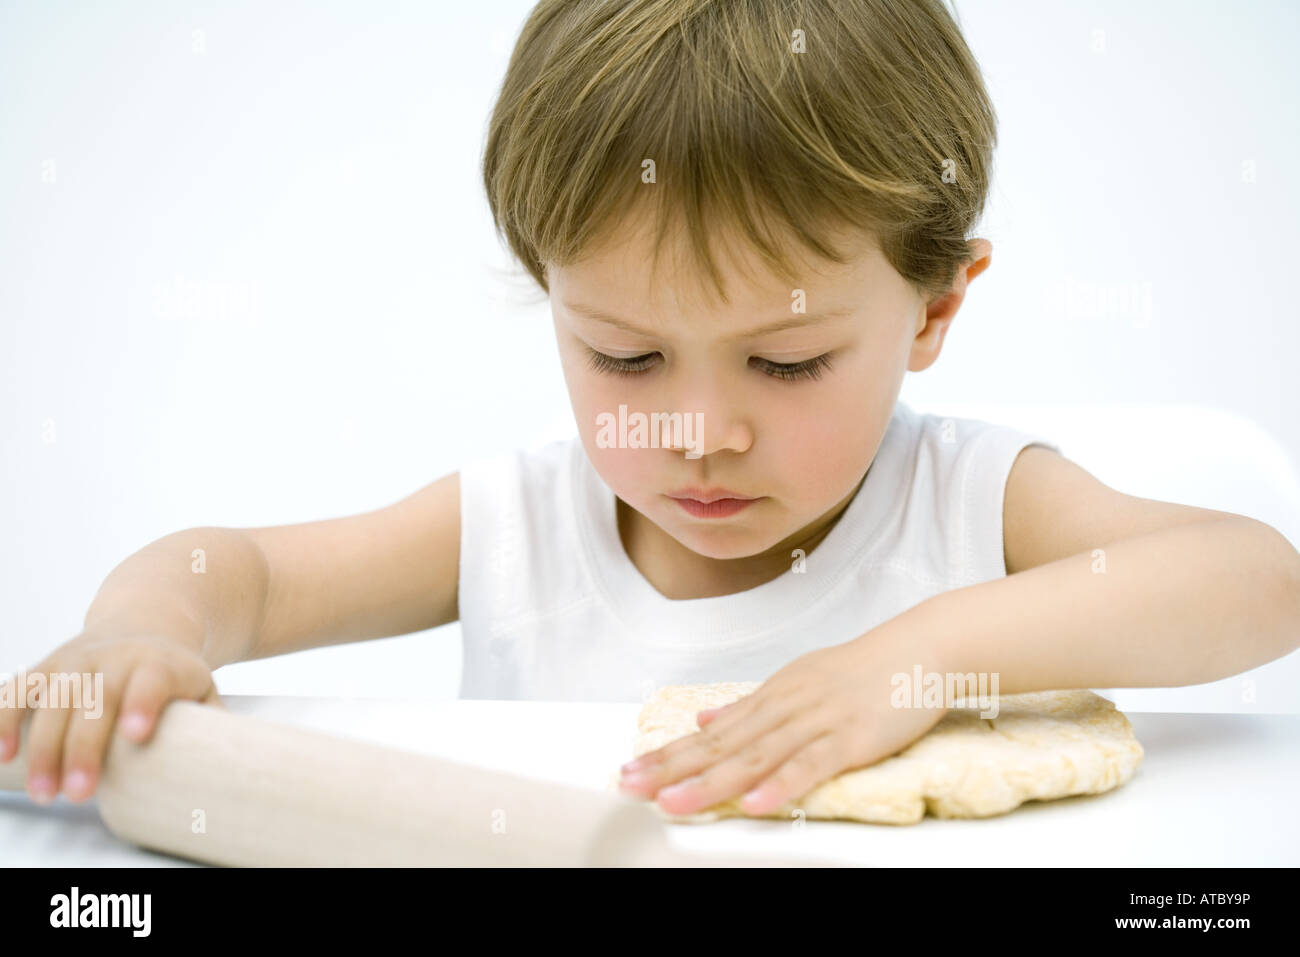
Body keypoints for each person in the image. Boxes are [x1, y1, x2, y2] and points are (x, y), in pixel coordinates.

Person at [4, 0, 1298, 827]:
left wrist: (909, 662)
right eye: (624, 356)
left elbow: (1254, 578)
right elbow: (234, 571)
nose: (696, 432)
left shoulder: (962, 507)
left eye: (784, 364)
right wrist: (137, 631)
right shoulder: (526, 522)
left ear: (934, 307)